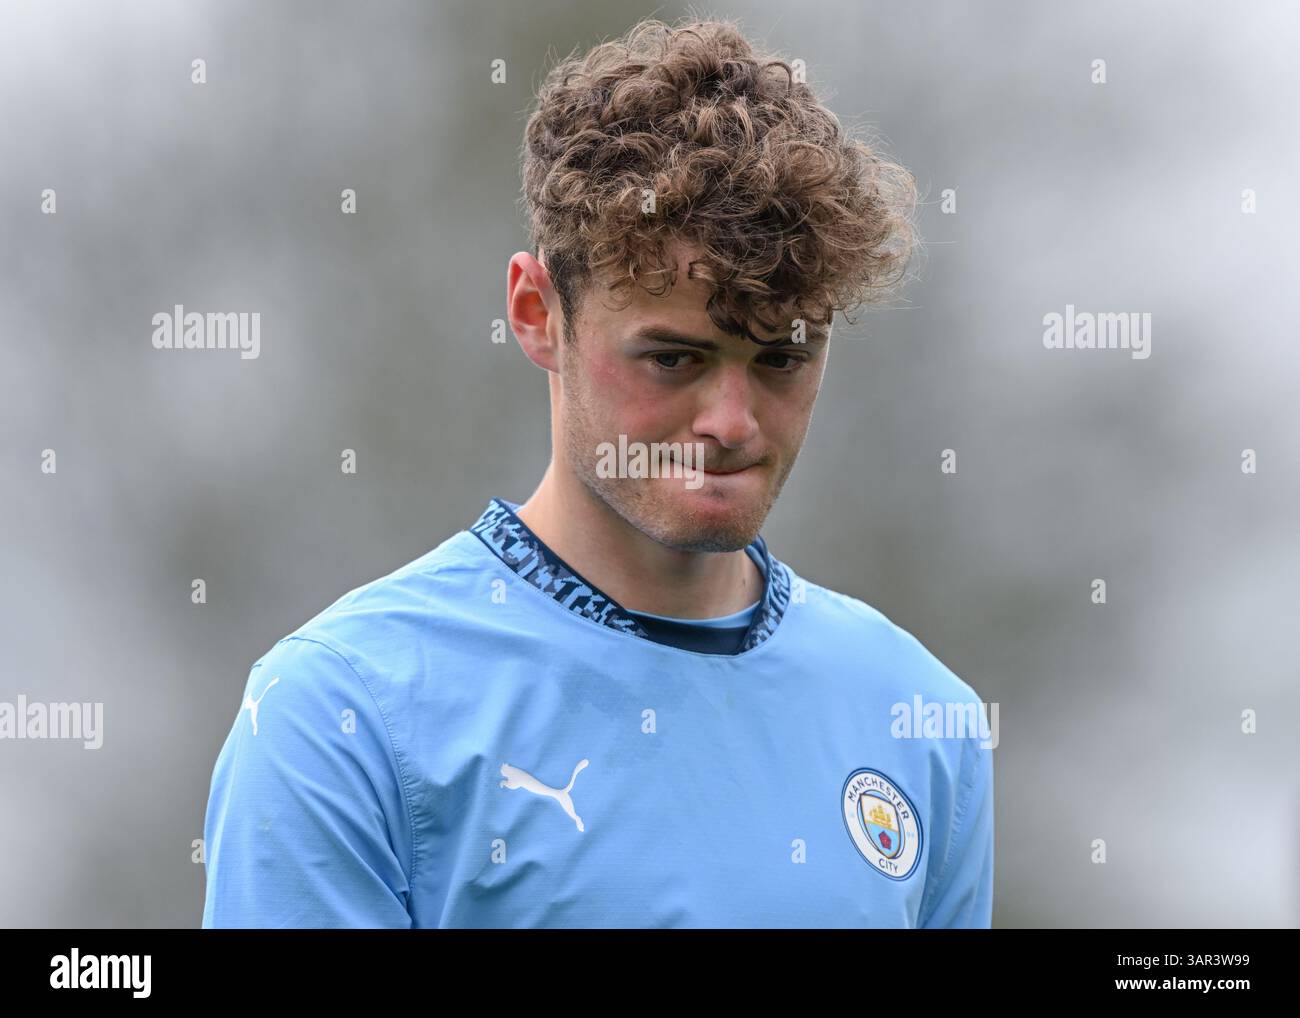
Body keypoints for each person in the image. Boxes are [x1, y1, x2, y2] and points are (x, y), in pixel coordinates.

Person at [201, 16, 993, 928]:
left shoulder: (922, 718)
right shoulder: (339, 716)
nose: (730, 424)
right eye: (673, 358)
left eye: (780, 359)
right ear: (538, 314)